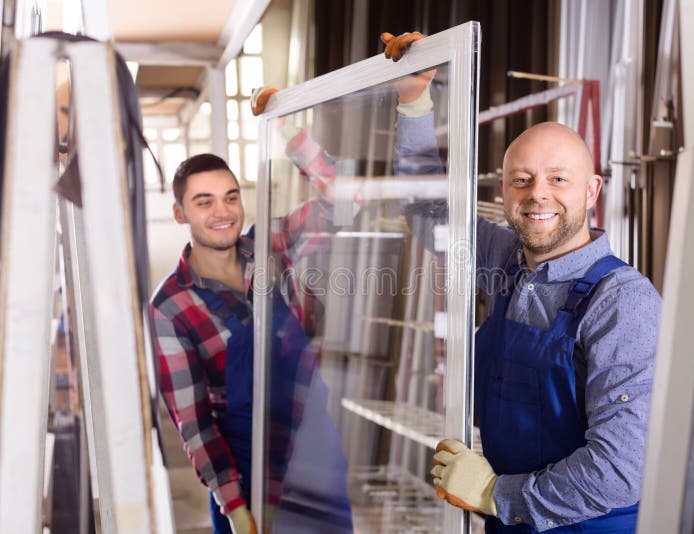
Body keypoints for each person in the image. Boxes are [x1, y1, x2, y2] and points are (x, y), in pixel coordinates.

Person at [381, 33, 661, 533]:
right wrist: (413, 101)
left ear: (592, 191)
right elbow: (428, 212)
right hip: (507, 523)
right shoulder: (508, 262)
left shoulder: (623, 304)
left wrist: (493, 493)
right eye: (522, 179)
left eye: (559, 179)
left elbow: (621, 471)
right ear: (505, 190)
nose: (538, 196)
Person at [150, 134, 352, 532]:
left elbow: (345, 202)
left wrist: (291, 132)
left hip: (314, 456)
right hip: (247, 474)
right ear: (179, 213)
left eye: (230, 197)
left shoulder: (267, 246)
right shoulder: (170, 307)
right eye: (203, 202)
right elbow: (195, 424)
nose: (222, 211)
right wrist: (236, 508)